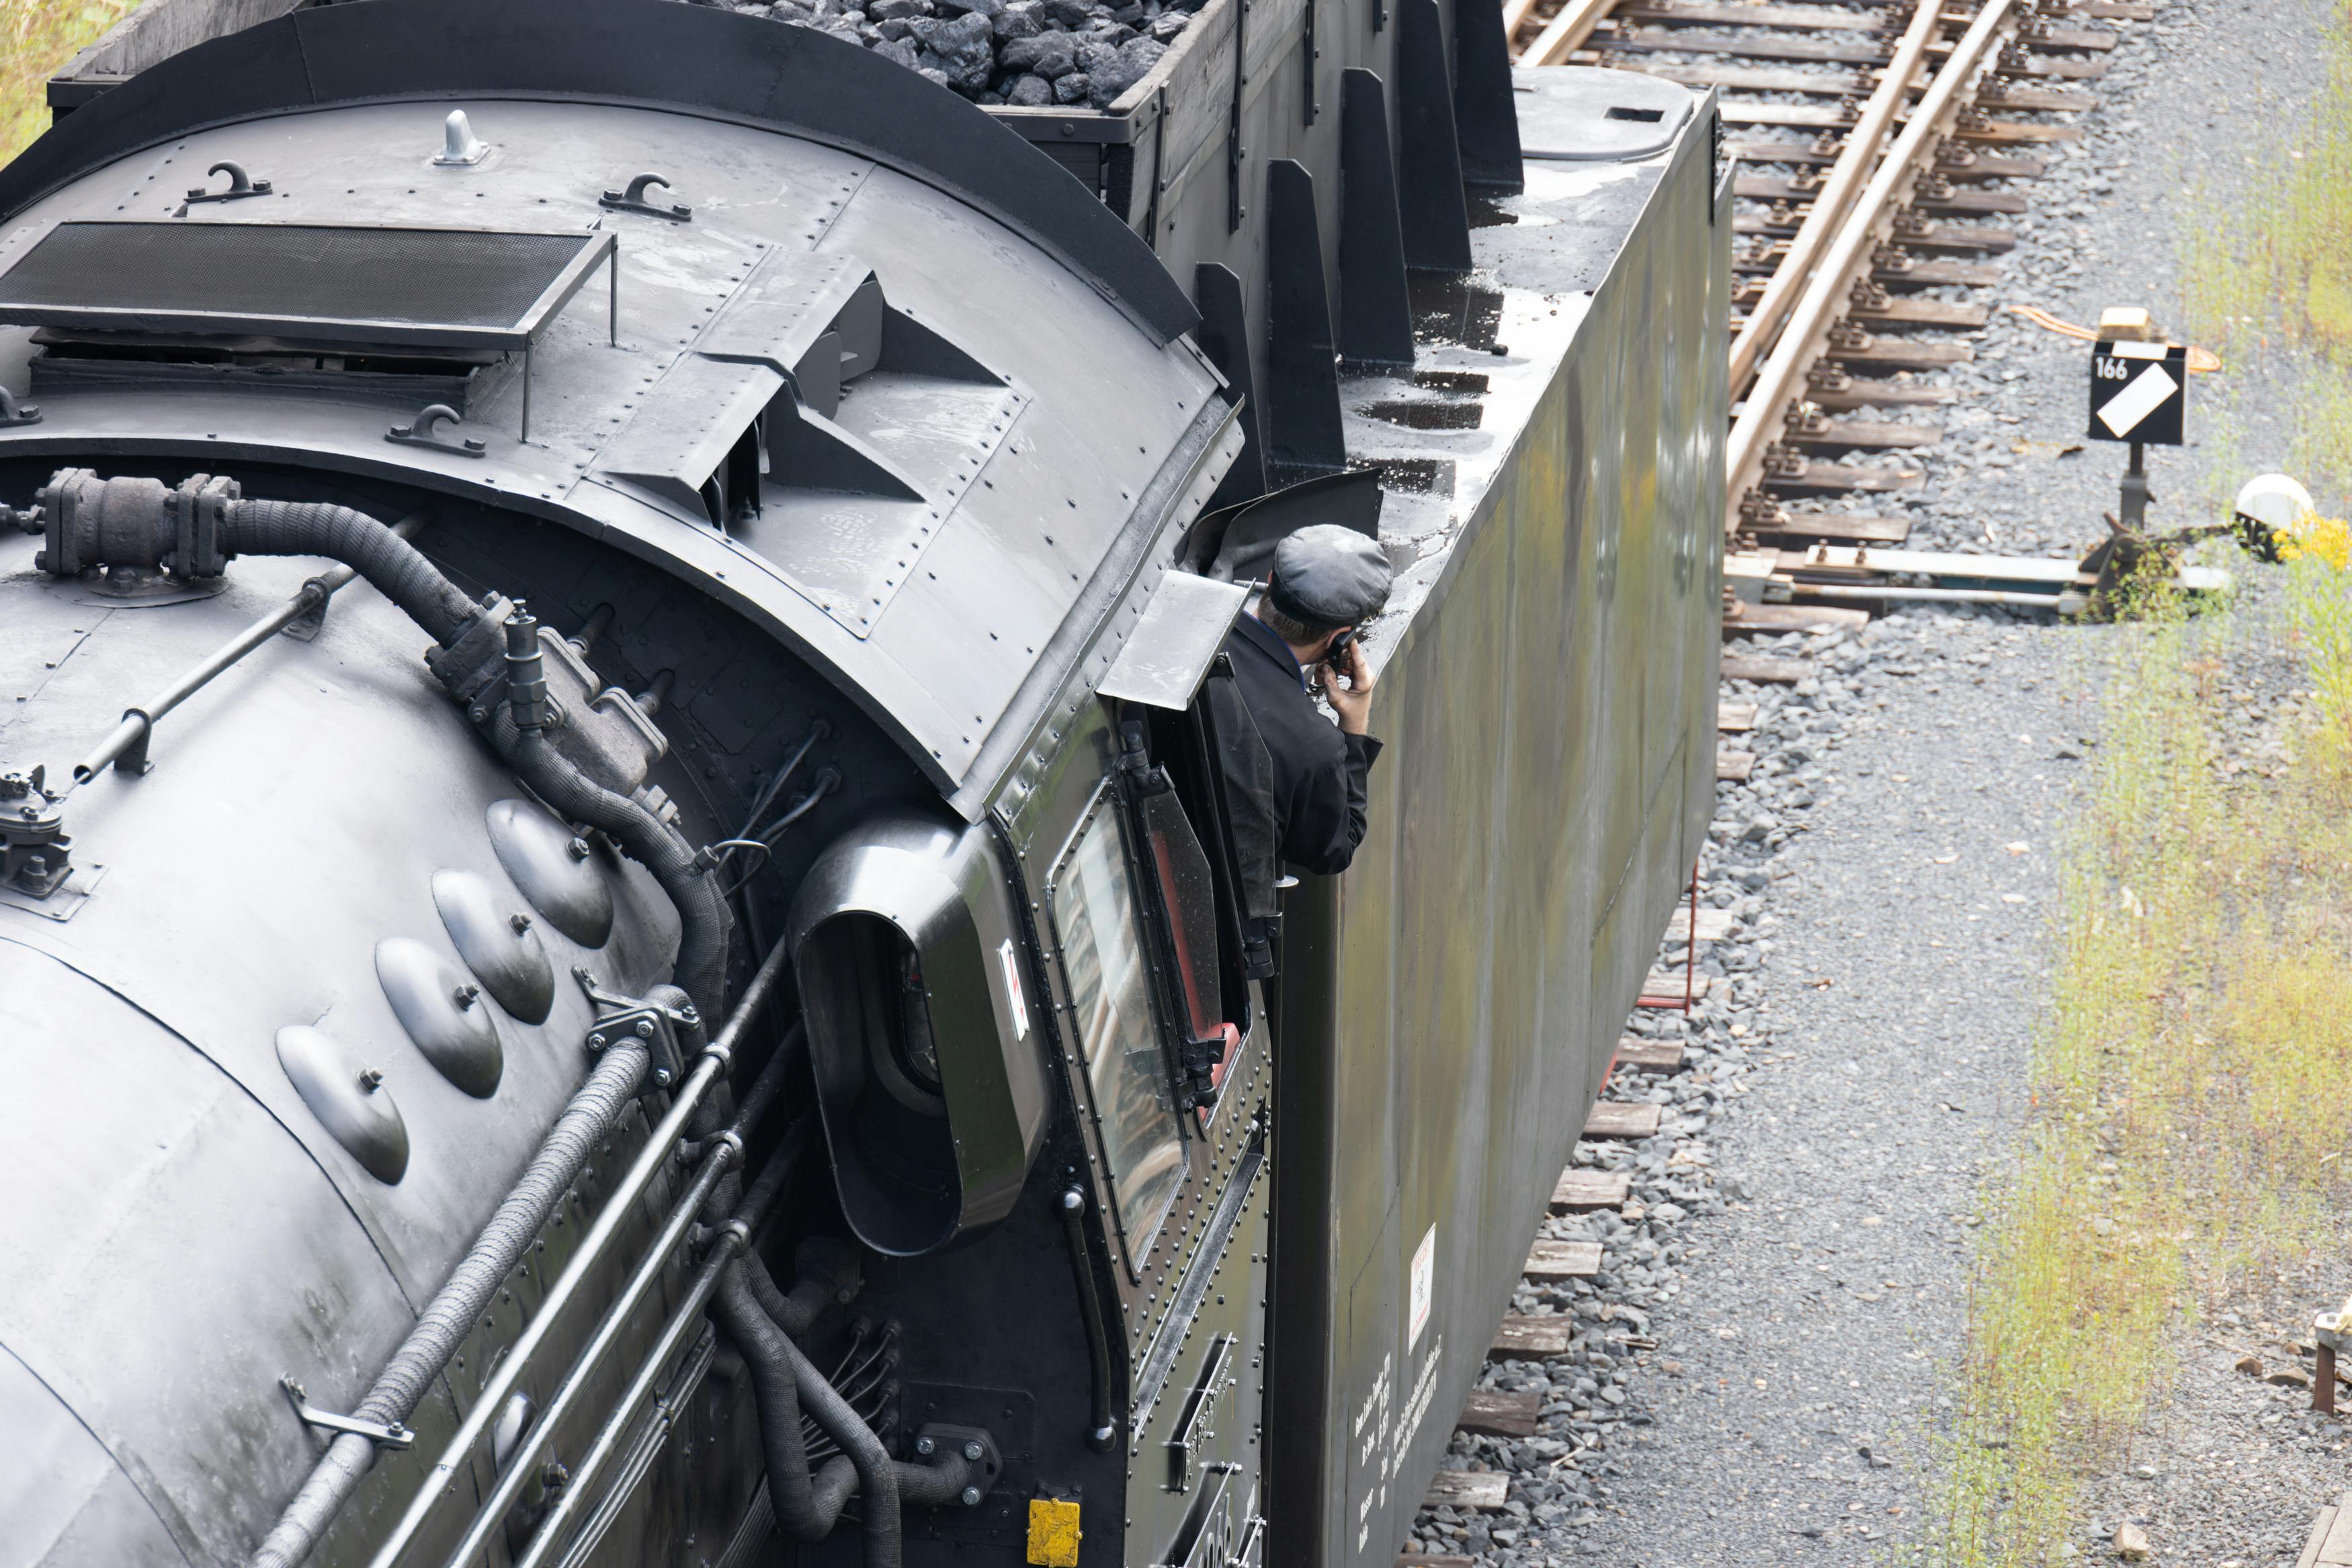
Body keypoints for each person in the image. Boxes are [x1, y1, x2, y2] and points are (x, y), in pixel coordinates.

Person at [1208, 523, 1394, 974]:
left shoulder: (1196, 626)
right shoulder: (1312, 746)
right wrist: (1353, 726)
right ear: (1340, 640)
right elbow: (1335, 848)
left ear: (1269, 583)